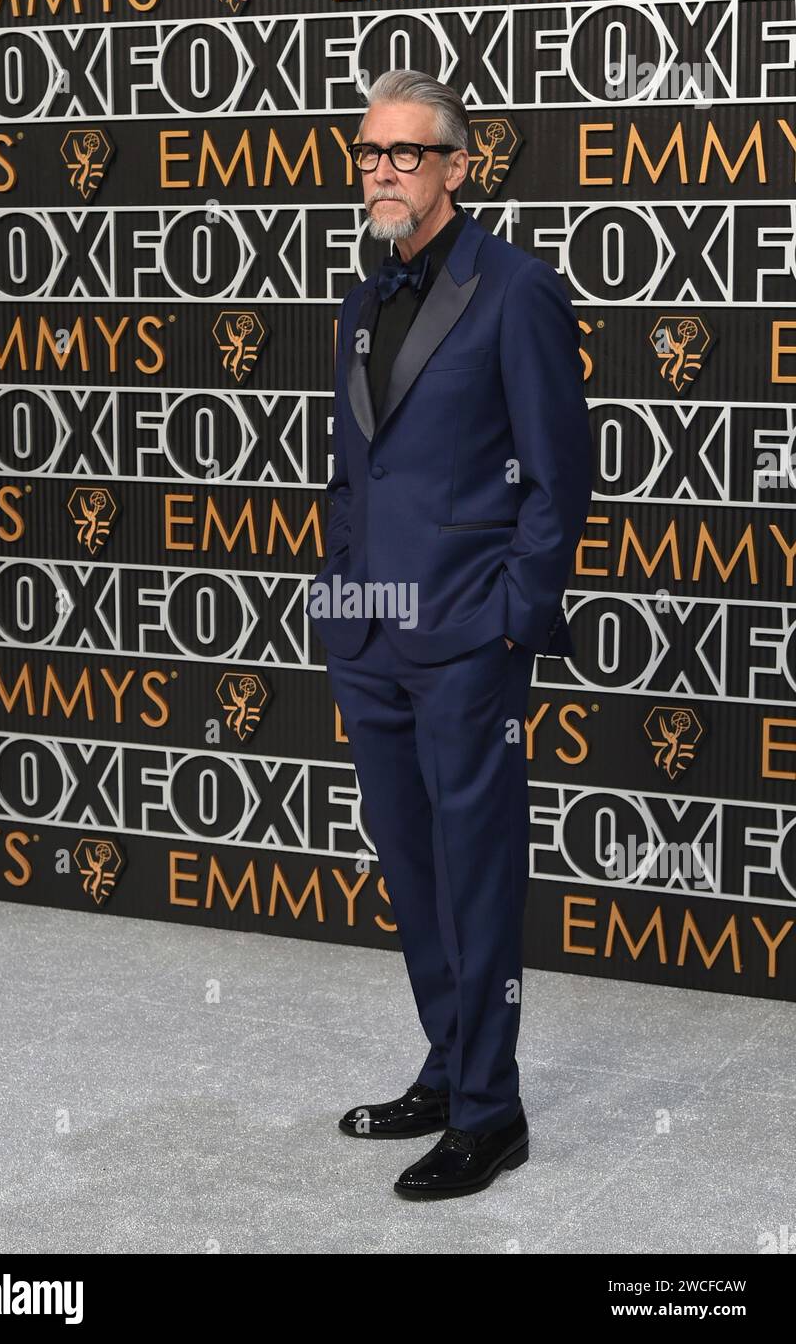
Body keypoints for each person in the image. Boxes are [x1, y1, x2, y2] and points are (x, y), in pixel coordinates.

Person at [306, 69, 593, 1200]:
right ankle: (445, 1064)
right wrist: (339, 592)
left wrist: (514, 616)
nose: (382, 170)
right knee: (411, 863)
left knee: (474, 868)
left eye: (406, 154)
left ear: (458, 167)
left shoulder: (515, 287)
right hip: (368, 628)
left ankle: (492, 1110)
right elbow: (357, 466)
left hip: (470, 631)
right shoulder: (364, 294)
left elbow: (559, 474)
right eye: (369, 152)